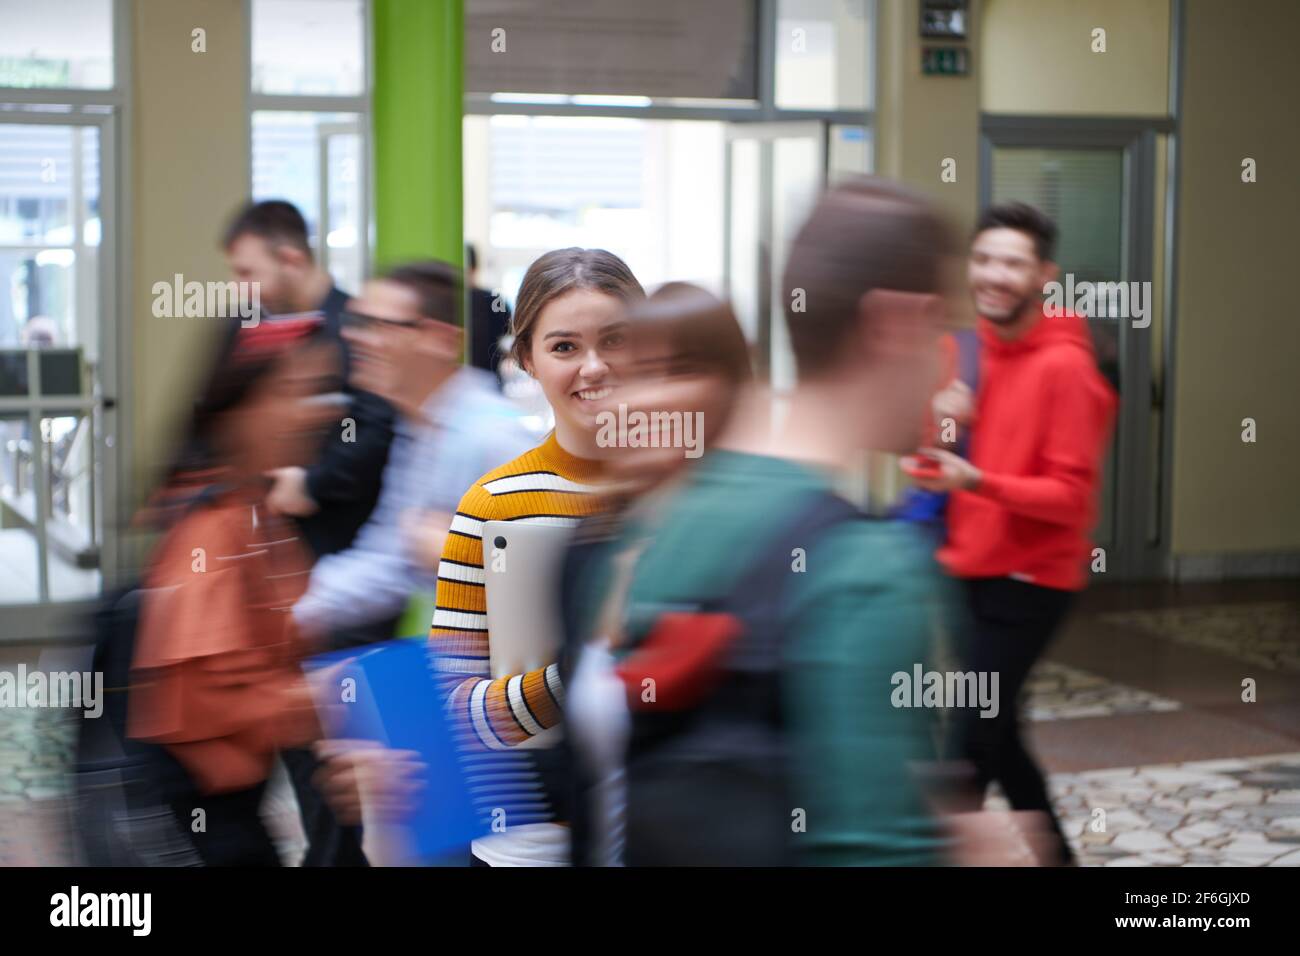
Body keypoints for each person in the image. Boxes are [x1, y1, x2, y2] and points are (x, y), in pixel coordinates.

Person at [560, 177, 959, 865]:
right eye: (944, 331)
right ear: (897, 323)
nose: (951, 379)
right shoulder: (868, 566)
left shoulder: (655, 527)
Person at [909, 201, 1117, 866]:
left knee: (969, 746)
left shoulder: (1067, 370)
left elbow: (1069, 499)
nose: (995, 275)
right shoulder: (962, 351)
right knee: (1000, 735)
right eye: (985, 258)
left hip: (1031, 581)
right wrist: (940, 427)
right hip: (968, 568)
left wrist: (979, 481)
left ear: (1043, 276)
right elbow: (926, 467)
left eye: (1013, 263)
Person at [426, 247, 645, 866]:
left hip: (667, 823)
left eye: (617, 340)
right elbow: (456, 712)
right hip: (534, 840)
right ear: (526, 359)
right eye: (564, 347)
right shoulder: (490, 505)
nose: (594, 367)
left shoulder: (688, 492)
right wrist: (570, 674)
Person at [127, 316, 336, 866]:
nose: (316, 412)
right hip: (200, 806)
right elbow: (205, 698)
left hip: (232, 796)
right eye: (294, 392)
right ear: (240, 406)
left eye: (319, 392)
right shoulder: (212, 527)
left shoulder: (254, 506)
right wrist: (327, 700)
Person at [558, 282, 754, 866]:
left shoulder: (771, 543)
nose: (648, 398)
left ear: (735, 388)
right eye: (637, 374)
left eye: (679, 370)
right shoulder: (589, 548)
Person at [222, 199, 396, 559]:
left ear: (291, 260)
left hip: (344, 545)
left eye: (248, 273)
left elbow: (375, 428)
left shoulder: (356, 329)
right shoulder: (257, 327)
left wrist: (312, 483)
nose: (242, 289)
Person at [465, 242, 513, 382]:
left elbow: (510, 337)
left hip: (489, 380)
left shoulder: (494, 299)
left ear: (473, 269)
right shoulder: (494, 298)